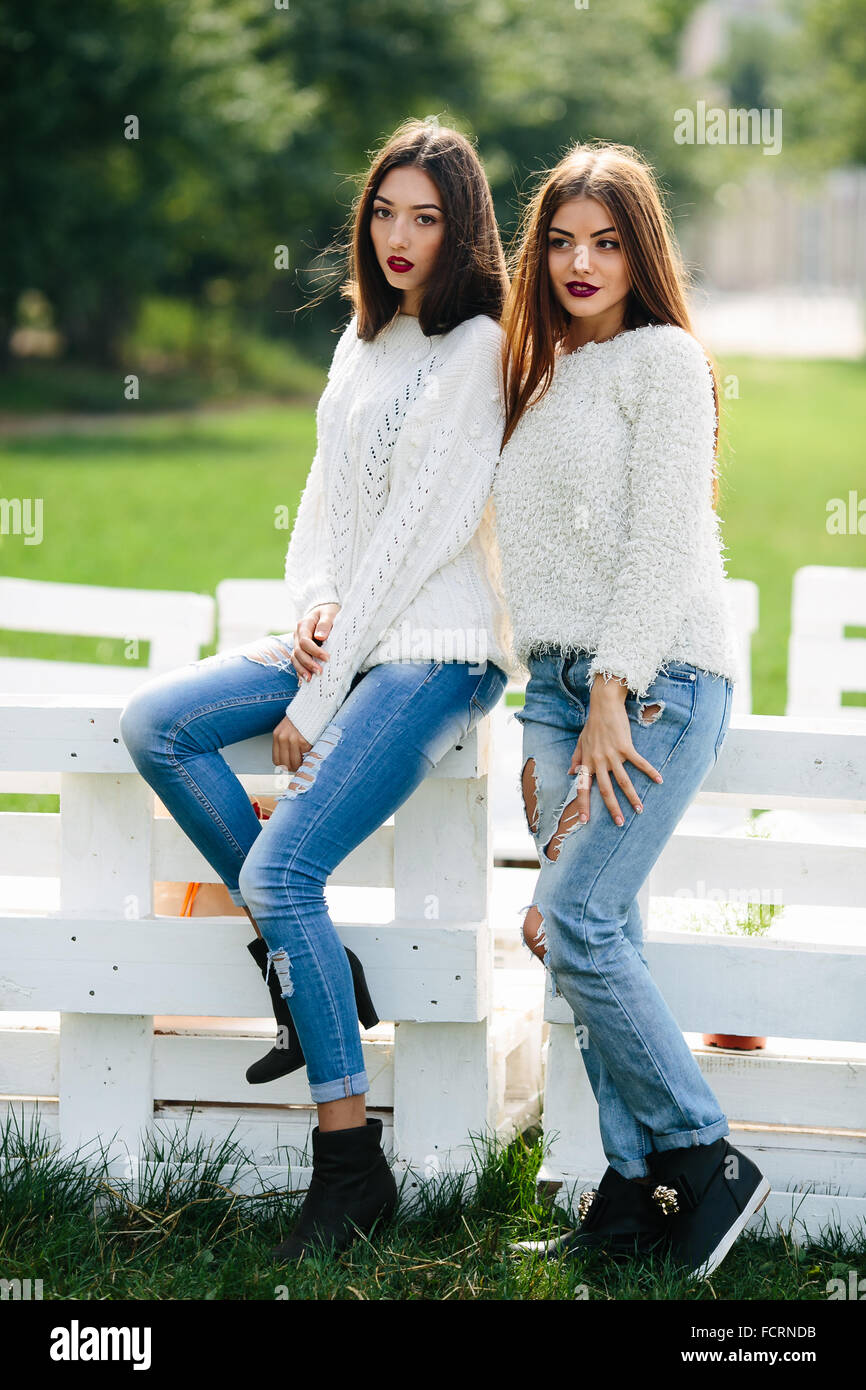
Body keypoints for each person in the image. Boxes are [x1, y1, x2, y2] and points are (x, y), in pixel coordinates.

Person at [118, 117, 517, 1261]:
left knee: (283, 863)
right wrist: (304, 616)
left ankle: (350, 1165)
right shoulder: (362, 339)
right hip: (342, 635)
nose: (399, 237)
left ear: (463, 228)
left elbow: (415, 534)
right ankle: (311, 966)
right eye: (384, 213)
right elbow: (326, 514)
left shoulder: (477, 346)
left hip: (433, 650)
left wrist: (317, 694)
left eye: (425, 217)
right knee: (157, 725)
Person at [493, 140, 770, 1281]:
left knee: (578, 918)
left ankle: (702, 1155)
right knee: (587, 933)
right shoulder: (539, 369)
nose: (578, 261)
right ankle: (632, 1186)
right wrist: (536, 713)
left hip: (655, 676)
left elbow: (659, 541)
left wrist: (611, 689)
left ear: (638, 251)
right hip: (557, 685)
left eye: (605, 242)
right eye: (559, 241)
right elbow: (535, 561)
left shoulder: (663, 362)